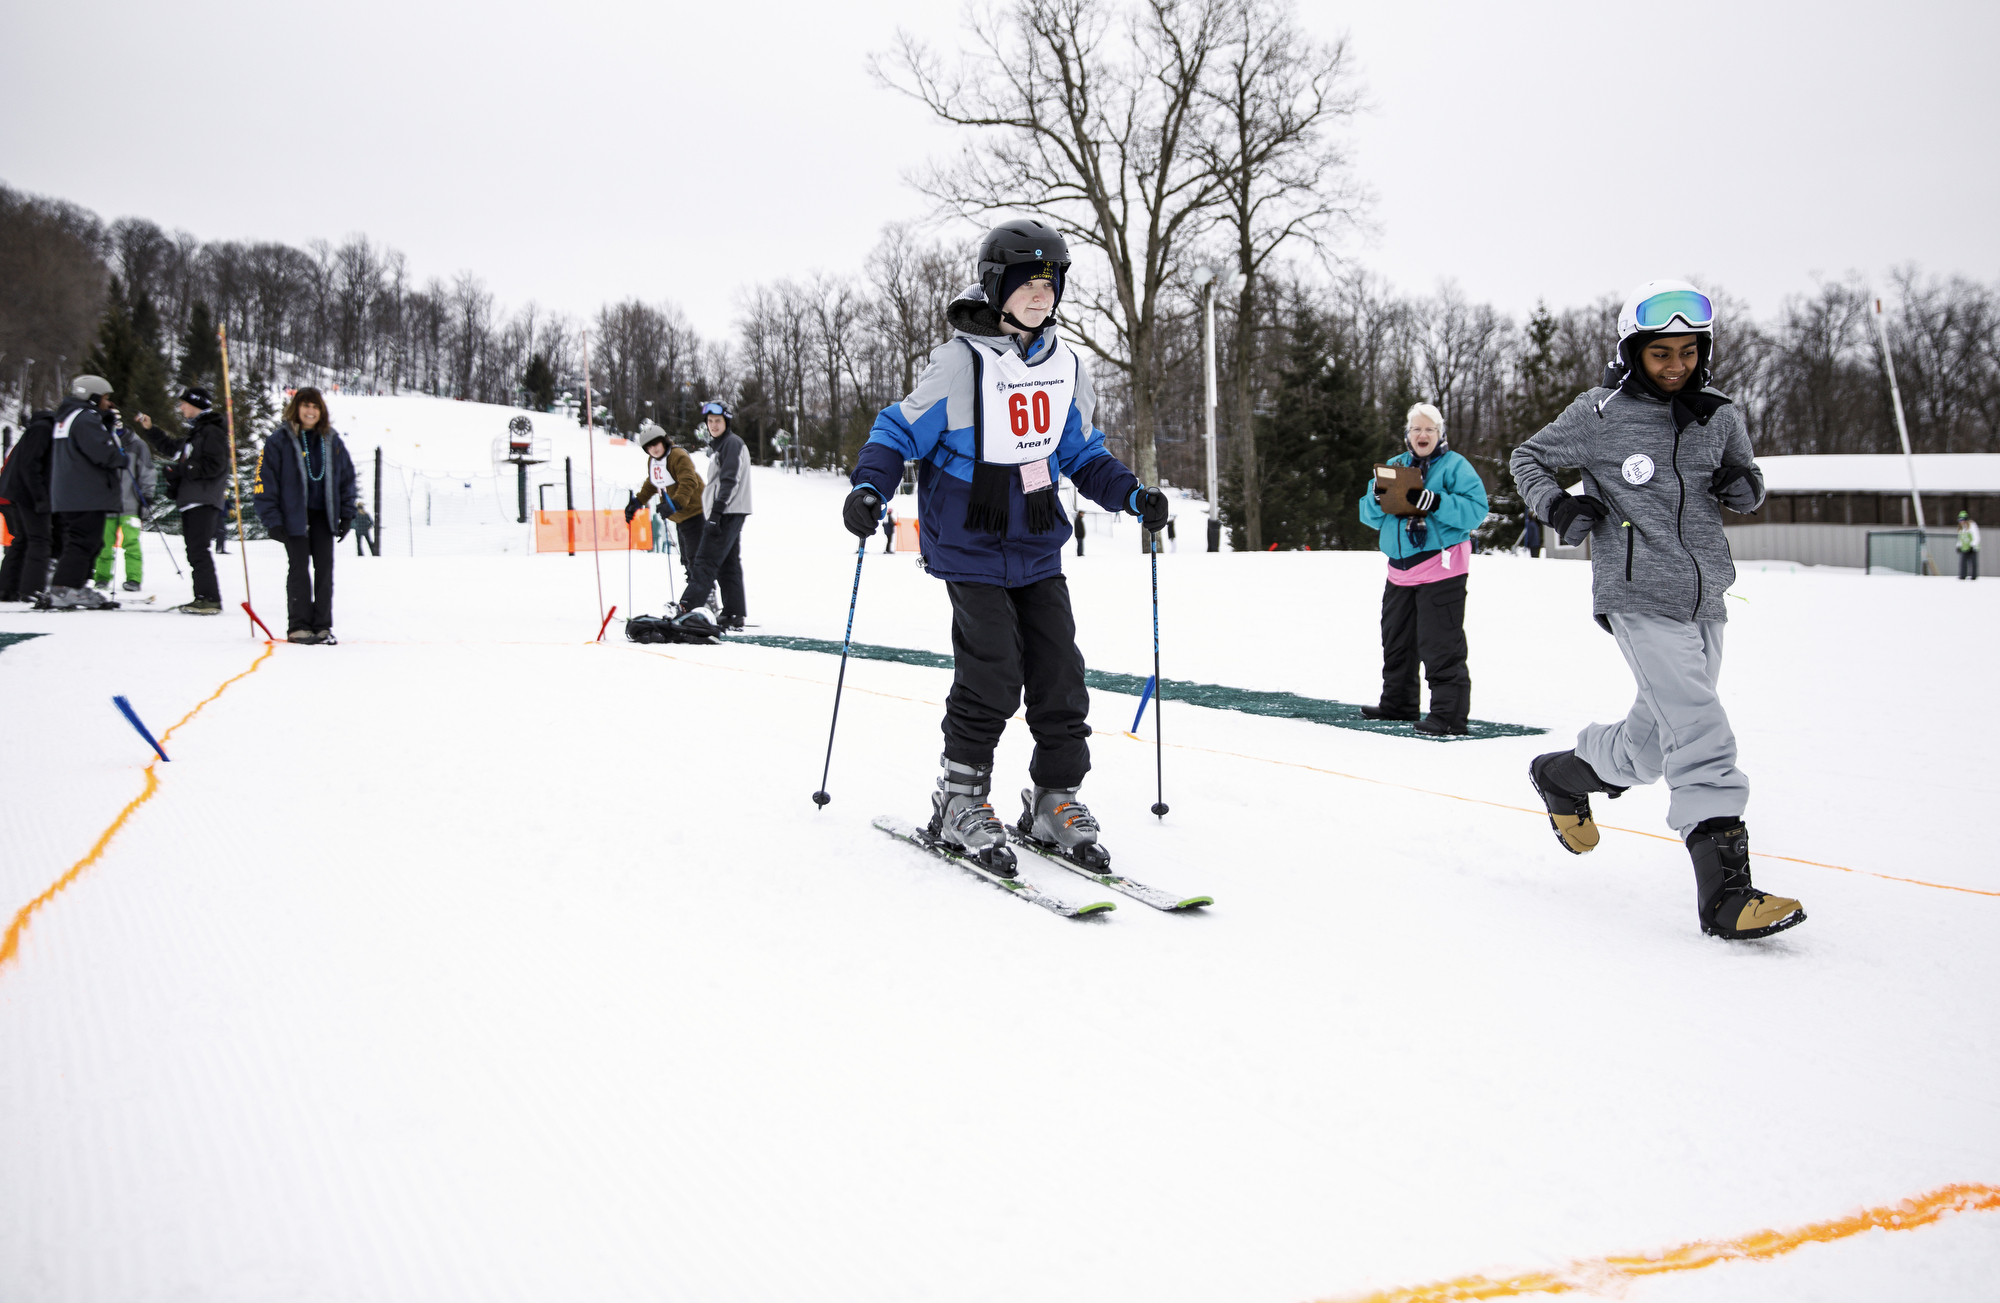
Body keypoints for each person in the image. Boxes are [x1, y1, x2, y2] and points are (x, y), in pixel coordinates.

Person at [843, 218, 1168, 877]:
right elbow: (896, 430)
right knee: (993, 668)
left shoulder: (1065, 365)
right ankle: (959, 796)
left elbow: (1080, 451)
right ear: (998, 288)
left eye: (1052, 281)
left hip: (1036, 539)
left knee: (1059, 672)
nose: (1041, 292)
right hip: (970, 538)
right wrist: (869, 487)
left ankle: (1054, 797)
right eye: (1027, 281)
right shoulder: (962, 362)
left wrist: (1133, 496)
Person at [1509, 279, 1804, 941]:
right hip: (1637, 595)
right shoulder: (1601, 413)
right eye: (1660, 353)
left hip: (1705, 596)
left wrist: (1742, 485)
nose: (1676, 365)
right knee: (1700, 728)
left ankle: (1563, 774)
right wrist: (1557, 505)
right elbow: (1528, 457)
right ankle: (1725, 895)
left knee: (1650, 747)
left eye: (1687, 352)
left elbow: (1748, 477)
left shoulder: (1719, 413)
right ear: (1632, 352)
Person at [1356, 402, 1489, 736]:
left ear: (1440, 434)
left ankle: (1449, 716)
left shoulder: (1456, 466)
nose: (1423, 434)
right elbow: (1368, 516)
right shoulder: (1394, 467)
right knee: (1397, 641)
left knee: (1440, 644)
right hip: (1399, 570)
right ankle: (1398, 704)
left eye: (1430, 429)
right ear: (1408, 434)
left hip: (1442, 568)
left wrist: (1437, 502)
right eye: (1417, 429)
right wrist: (1375, 498)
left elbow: (1476, 511)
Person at [253, 387, 357, 643]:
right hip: (294, 516)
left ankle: (322, 625)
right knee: (299, 569)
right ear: (296, 408)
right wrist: (273, 520)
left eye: (315, 406)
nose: (310, 411)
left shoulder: (332, 441)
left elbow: (346, 480)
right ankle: (299, 626)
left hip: (324, 515)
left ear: (321, 411)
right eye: (306, 406)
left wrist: (346, 515)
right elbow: (265, 481)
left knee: (325, 570)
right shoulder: (279, 440)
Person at [39, 376, 128, 610]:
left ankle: (74, 586)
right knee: (83, 541)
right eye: (106, 398)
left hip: (71, 492)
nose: (108, 403)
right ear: (93, 397)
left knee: (86, 541)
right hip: (85, 492)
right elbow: (104, 453)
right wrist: (119, 453)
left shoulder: (67, 417)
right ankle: (65, 588)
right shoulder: (85, 419)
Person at [668, 402, 749, 632]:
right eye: (710, 422)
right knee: (728, 564)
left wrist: (716, 512)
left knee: (704, 561)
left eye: (718, 421)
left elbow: (730, 479)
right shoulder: (724, 445)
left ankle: (687, 608)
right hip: (730, 511)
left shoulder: (731, 444)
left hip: (726, 511)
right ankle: (734, 612)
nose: (713, 425)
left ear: (726, 423)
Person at [150, 388, 231, 614]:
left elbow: (216, 464)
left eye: (184, 403)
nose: (180, 408)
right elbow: (171, 448)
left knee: (198, 549)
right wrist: (150, 429)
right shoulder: (196, 433)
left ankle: (209, 599)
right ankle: (203, 597)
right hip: (192, 498)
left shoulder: (211, 432)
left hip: (202, 498)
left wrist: (181, 470)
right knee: (194, 550)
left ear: (196, 404)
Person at [625, 423, 705, 585]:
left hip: (697, 512)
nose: (653, 449)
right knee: (687, 560)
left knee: (696, 560)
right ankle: (694, 596)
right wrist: (638, 502)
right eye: (648, 447)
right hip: (681, 517)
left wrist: (676, 503)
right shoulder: (654, 461)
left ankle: (705, 597)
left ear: (664, 441)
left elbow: (689, 481)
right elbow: (653, 482)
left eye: (655, 444)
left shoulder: (678, 456)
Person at [0, 406, 57, 602]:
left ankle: (8, 588)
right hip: (26, 494)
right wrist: (40, 496)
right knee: (39, 540)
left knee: (22, 540)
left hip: (12, 493)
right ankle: (32, 589)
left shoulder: (35, 430)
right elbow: (30, 465)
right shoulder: (44, 430)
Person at [92, 420, 156, 593]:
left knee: (132, 543)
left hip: (131, 505)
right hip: (106, 505)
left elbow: (147, 472)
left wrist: (147, 498)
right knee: (104, 544)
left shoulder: (138, 446)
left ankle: (133, 579)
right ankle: (102, 578)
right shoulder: (102, 443)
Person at [1957, 510, 1980, 580]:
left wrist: (1972, 545)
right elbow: (1960, 539)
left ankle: (1973, 576)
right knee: (1963, 562)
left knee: (1973, 563)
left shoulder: (1972, 526)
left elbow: (1976, 537)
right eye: (1960, 520)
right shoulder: (1961, 528)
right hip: (1964, 548)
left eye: (1962, 520)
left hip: (1972, 548)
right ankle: (1963, 575)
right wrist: (1958, 546)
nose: (1961, 521)